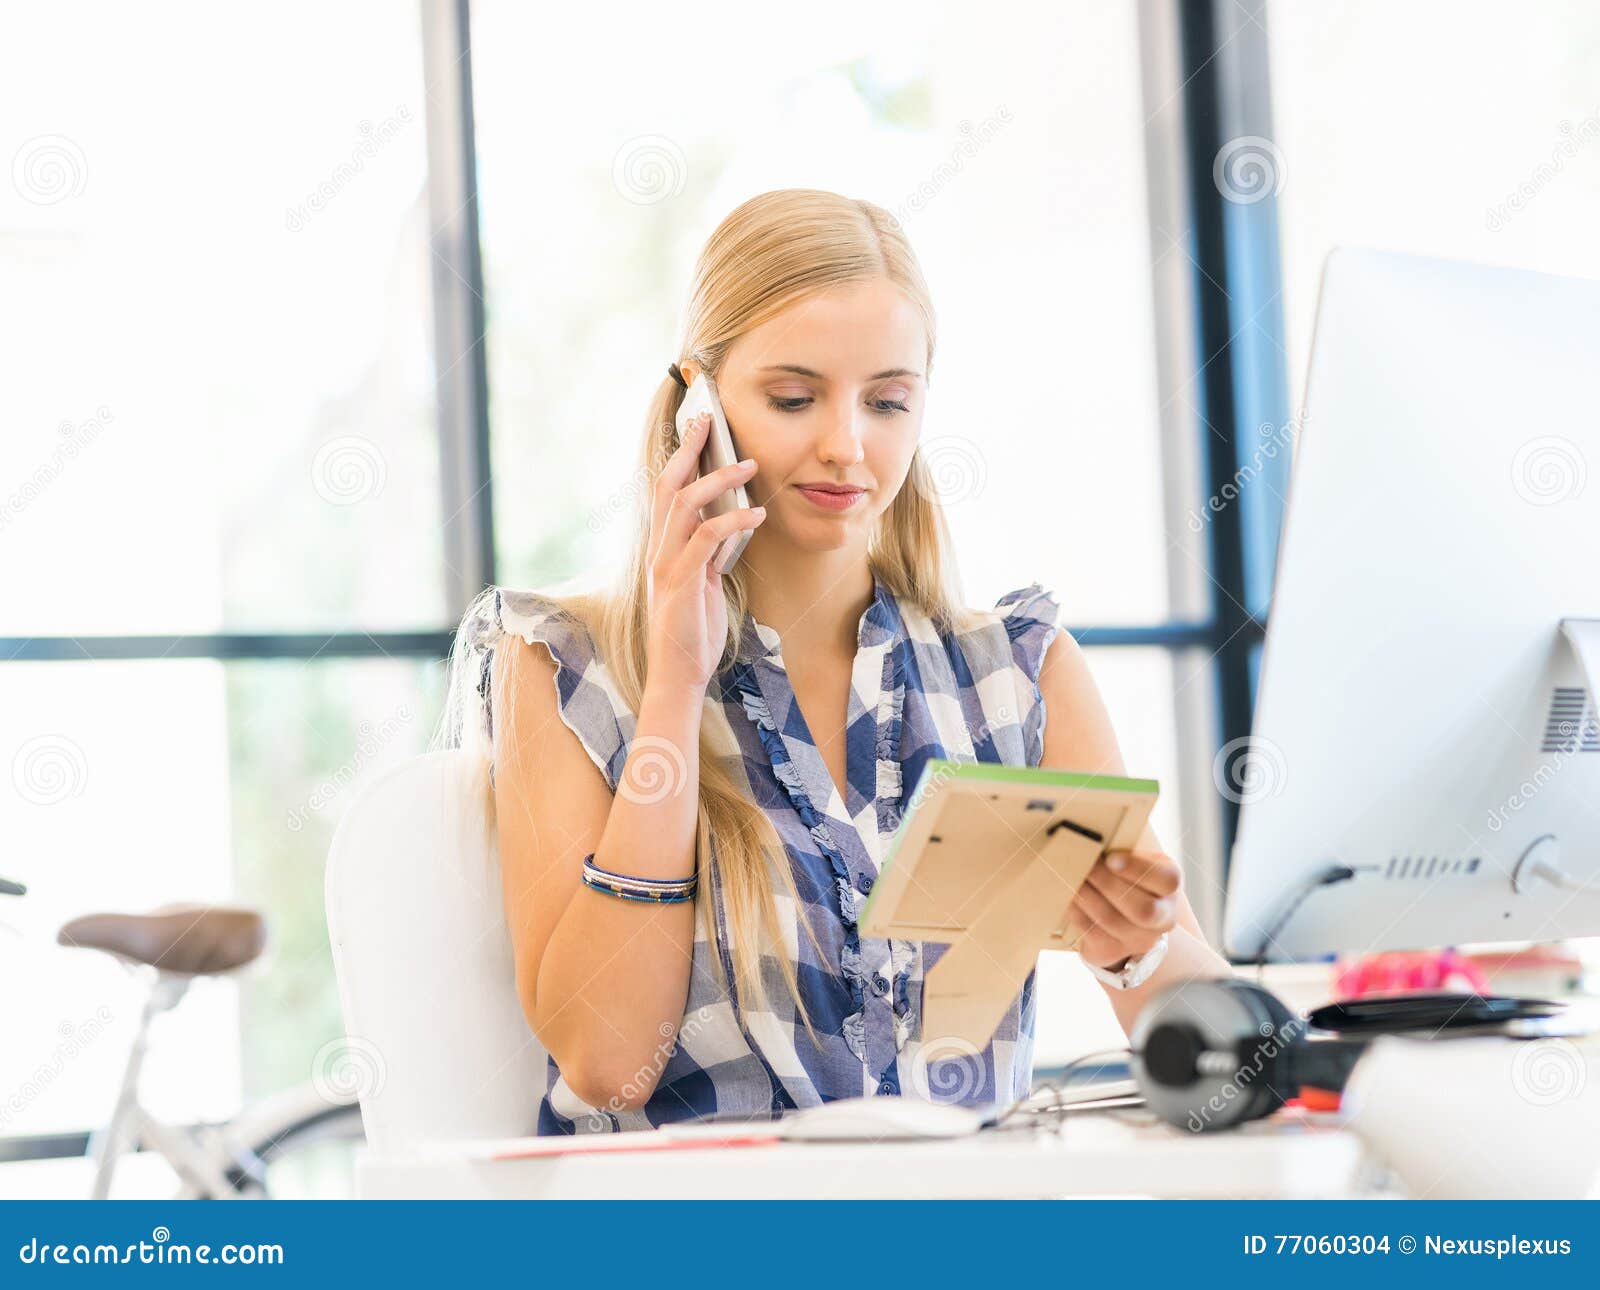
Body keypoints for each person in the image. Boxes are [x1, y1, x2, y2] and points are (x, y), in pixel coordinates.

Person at [440, 188, 1230, 1134]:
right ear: (700, 400)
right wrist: (676, 686)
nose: (848, 446)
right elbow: (608, 1065)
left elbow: (1223, 1058)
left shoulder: (1017, 675)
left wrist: (1139, 954)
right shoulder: (564, 669)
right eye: (793, 398)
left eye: (888, 401)